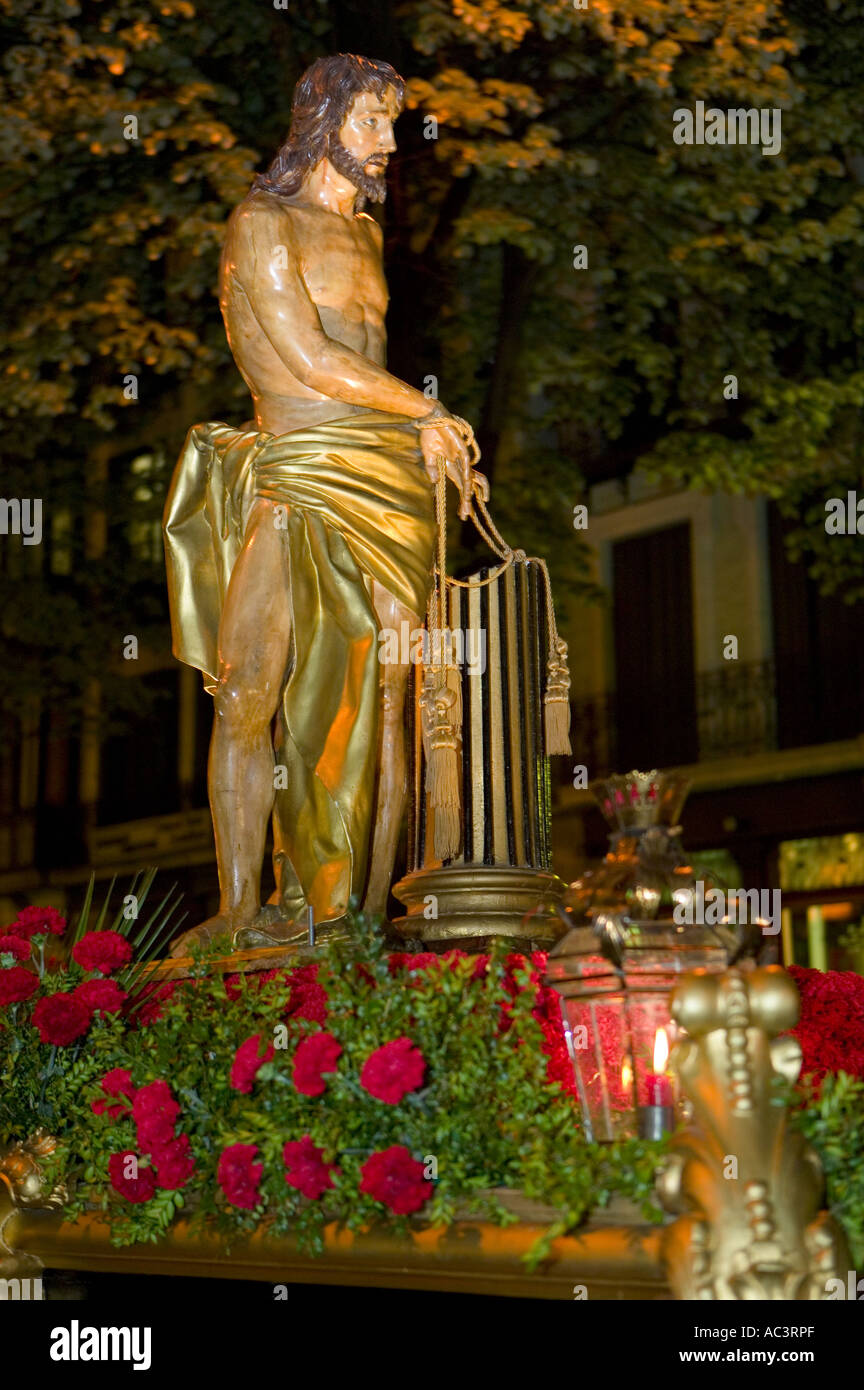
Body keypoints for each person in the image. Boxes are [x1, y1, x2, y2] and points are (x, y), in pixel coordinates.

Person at [164, 54, 485, 954]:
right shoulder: (262, 223)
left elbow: (368, 357)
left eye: (391, 123)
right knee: (249, 688)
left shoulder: (370, 236)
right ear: (322, 123)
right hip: (300, 463)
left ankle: (346, 912)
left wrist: (419, 430)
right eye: (372, 123)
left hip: (385, 467)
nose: (389, 143)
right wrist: (427, 408)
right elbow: (306, 359)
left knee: (391, 691)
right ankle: (240, 906)